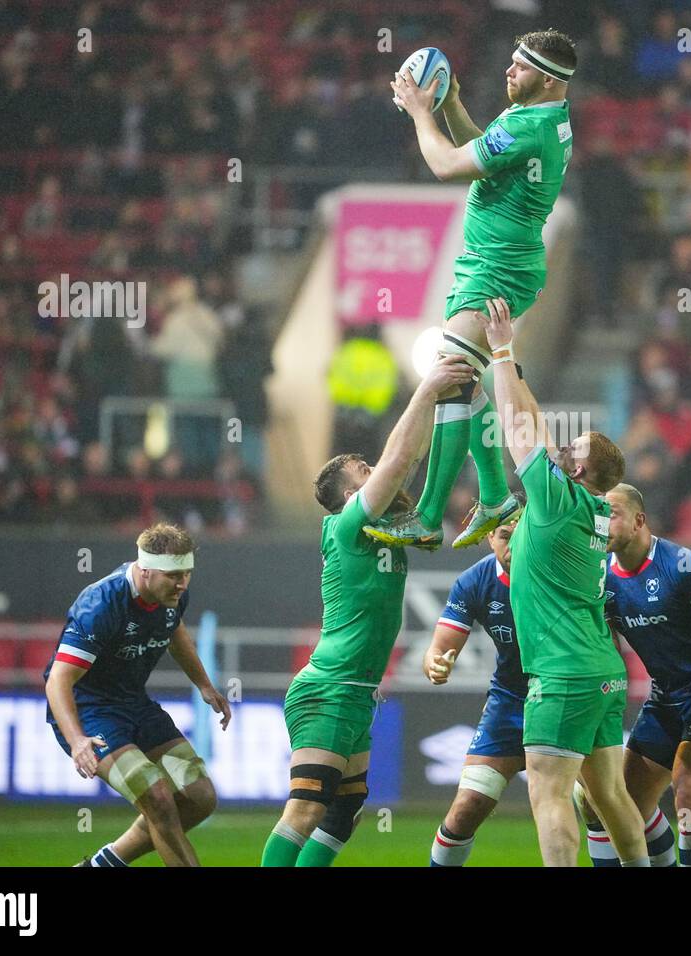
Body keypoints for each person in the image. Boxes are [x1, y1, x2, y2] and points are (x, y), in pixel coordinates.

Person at [365, 29, 578, 551]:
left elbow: (445, 166)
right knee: (462, 380)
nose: (509, 72)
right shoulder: (536, 115)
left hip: (498, 270)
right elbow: (479, 150)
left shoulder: (532, 127)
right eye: (509, 61)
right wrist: (452, 104)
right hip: (490, 264)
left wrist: (421, 112)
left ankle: (430, 514)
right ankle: (493, 495)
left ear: (547, 79)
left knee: (448, 376)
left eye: (520, 67)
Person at [260, 355, 474, 867]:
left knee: (345, 809)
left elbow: (411, 454)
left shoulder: (383, 526)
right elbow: (400, 460)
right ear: (353, 496)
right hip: (329, 688)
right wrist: (425, 390)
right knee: (305, 810)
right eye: (366, 471)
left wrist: (443, 403)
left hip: (355, 693)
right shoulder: (344, 527)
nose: (378, 471)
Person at [478, 295, 648, 866]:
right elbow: (538, 425)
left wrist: (500, 348)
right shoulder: (595, 507)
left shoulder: (553, 500)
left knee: (548, 792)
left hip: (562, 671)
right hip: (602, 672)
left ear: (577, 469)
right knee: (609, 793)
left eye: (570, 449)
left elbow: (519, 427)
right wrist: (513, 368)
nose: (561, 444)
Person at [577, 483, 691, 867]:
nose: (602, 524)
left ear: (639, 519)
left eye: (612, 515)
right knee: (620, 803)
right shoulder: (600, 580)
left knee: (689, 791)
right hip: (665, 695)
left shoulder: (684, 567)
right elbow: (603, 647)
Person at [44, 523, 231, 867]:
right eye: (174, 575)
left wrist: (204, 684)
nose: (182, 583)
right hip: (90, 711)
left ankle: (103, 864)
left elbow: (175, 633)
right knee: (157, 796)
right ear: (144, 570)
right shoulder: (100, 604)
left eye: (187, 573)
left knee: (200, 796)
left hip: (134, 703)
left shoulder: (171, 594)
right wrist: (77, 741)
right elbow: (58, 680)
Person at [422, 523, 525, 865]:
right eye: (505, 536)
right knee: (467, 807)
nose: (513, 544)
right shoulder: (474, 581)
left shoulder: (560, 568)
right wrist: (436, 664)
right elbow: (438, 648)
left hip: (567, 697)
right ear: (488, 538)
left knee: (593, 805)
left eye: (522, 533)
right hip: (510, 700)